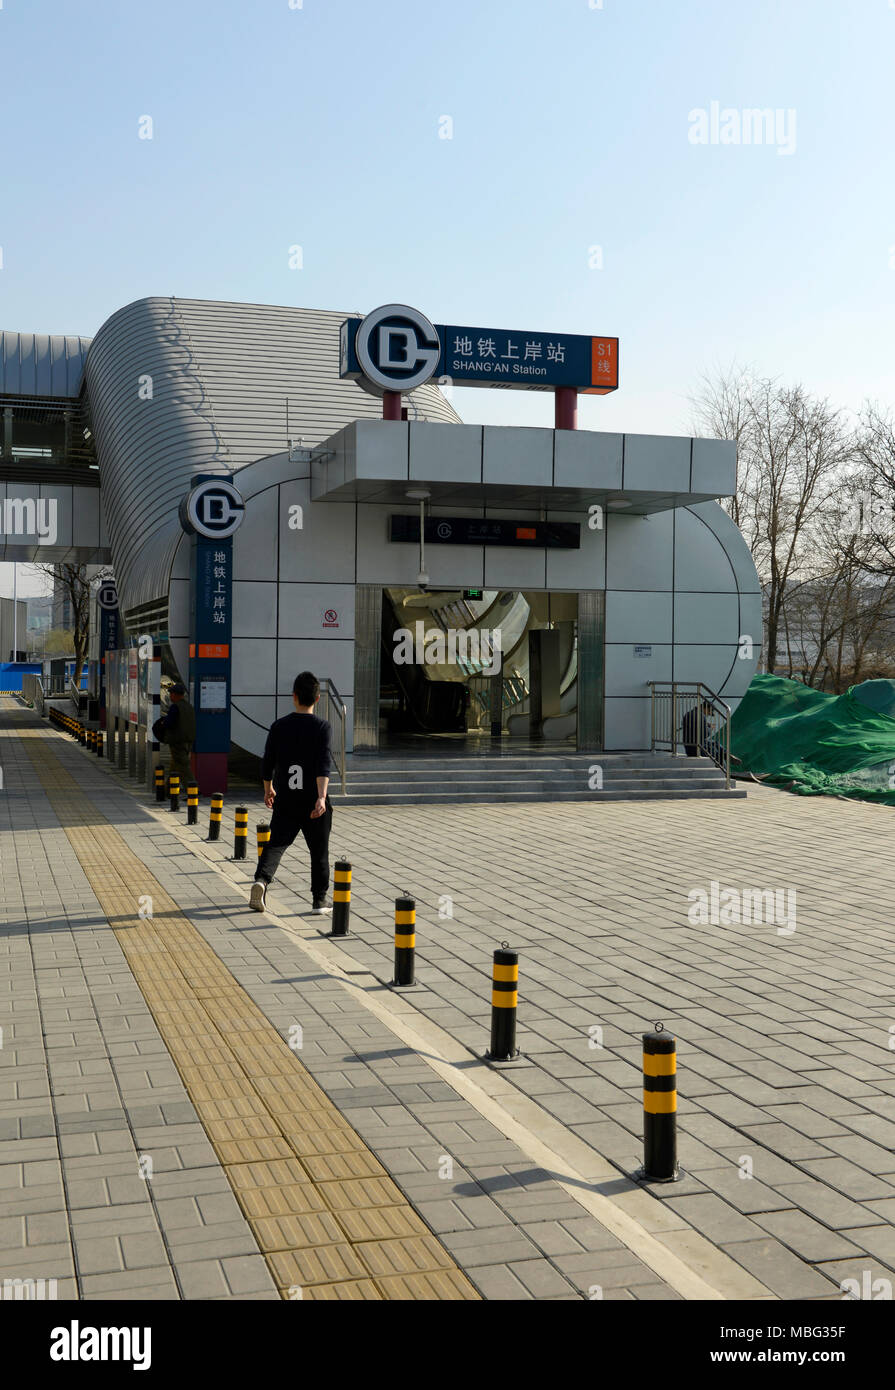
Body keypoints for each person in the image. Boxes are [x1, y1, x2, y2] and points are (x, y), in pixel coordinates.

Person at [250, 671, 333, 915]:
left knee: (275, 844)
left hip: (286, 798)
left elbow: (267, 762)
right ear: (317, 699)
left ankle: (261, 882)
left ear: (294, 696)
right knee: (319, 850)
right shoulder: (322, 728)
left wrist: (268, 789)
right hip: (311, 800)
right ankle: (319, 900)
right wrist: (321, 796)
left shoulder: (279, 726)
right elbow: (323, 764)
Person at [153, 681, 195, 788]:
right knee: (175, 767)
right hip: (188, 740)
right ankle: (167, 791)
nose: (170, 696)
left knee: (183, 766)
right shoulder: (189, 706)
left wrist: (162, 722)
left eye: (171, 693)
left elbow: (169, 723)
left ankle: (193, 790)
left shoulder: (175, 707)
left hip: (177, 741)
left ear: (176, 695)